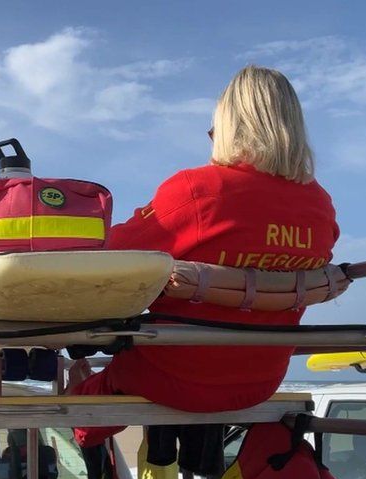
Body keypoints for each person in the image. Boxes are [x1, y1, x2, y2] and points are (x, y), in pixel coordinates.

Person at [70, 64, 339, 430]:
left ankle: (97, 459)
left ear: (229, 127)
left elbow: (111, 253)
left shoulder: (198, 191)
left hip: (169, 377)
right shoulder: (319, 205)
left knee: (83, 391)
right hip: (259, 382)